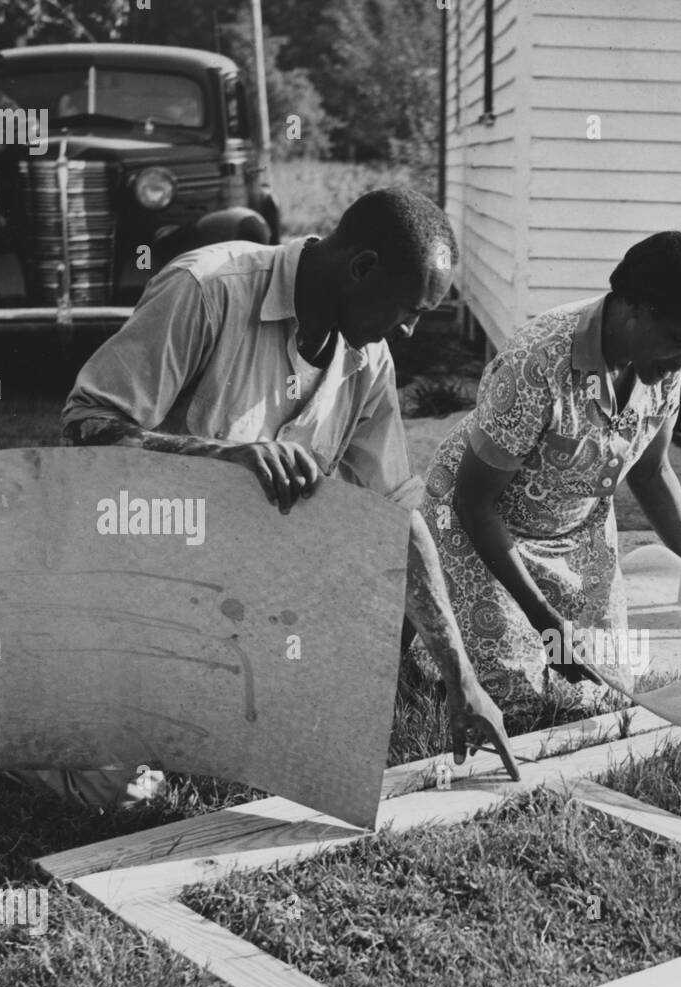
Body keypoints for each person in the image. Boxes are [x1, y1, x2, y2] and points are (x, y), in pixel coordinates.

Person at [32, 187, 517, 810]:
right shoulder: (207, 290)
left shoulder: (369, 362)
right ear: (362, 267)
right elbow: (81, 426)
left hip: (230, 596)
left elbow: (395, 520)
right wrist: (219, 456)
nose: (409, 329)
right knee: (113, 791)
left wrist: (462, 678)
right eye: (406, 308)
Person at [419, 230, 681, 714]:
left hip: (577, 533)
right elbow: (474, 502)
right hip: (479, 526)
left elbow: (652, 474)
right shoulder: (539, 359)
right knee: (511, 697)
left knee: (601, 696)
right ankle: (426, 646)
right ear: (636, 307)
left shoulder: (665, 364)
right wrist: (544, 621)